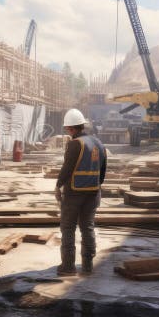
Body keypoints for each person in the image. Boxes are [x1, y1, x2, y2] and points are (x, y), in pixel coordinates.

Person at [54, 108, 107, 276]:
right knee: (87, 227)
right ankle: (88, 266)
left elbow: (67, 168)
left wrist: (58, 185)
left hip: (74, 194)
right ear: (82, 125)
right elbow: (103, 169)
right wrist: (96, 185)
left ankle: (68, 267)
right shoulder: (98, 143)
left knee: (68, 228)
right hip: (93, 193)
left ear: (70, 128)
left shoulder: (74, 144)